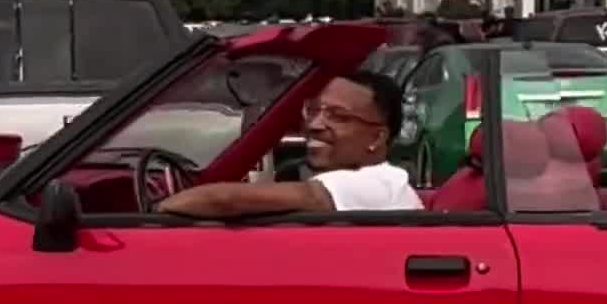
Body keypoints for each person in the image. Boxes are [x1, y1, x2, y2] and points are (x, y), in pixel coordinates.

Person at [156, 68, 423, 218]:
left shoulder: (375, 184)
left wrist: (157, 212)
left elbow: (225, 201)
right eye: (314, 111)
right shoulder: (378, 184)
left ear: (377, 137)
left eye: (338, 117)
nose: (316, 125)